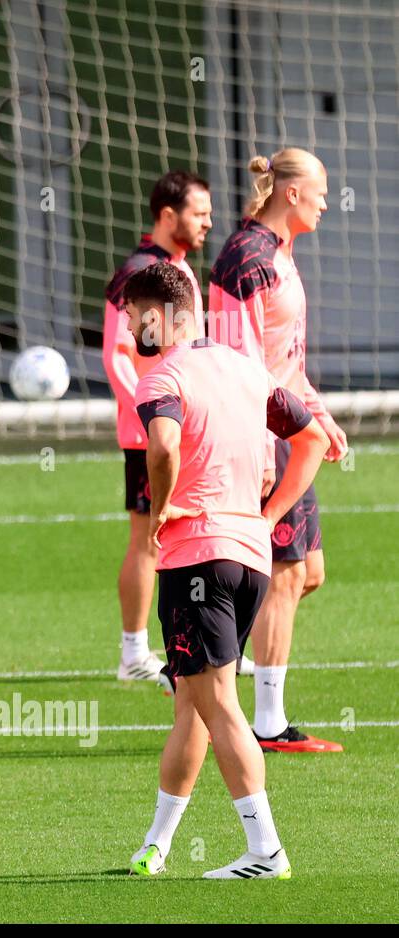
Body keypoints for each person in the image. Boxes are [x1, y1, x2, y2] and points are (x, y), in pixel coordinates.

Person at [122, 262, 327, 879]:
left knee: (216, 703)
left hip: (198, 560)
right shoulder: (244, 367)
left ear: (160, 316)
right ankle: (157, 844)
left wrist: (161, 510)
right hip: (250, 559)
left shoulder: (162, 375)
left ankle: (265, 850)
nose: (130, 327)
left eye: (133, 317)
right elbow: (313, 438)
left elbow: (162, 447)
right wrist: (269, 518)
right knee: (193, 702)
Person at [209, 148, 349, 752]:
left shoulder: (281, 256)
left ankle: (207, 656)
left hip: (291, 428)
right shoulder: (247, 258)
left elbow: (286, 358)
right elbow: (240, 365)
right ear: (291, 193)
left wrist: (320, 413)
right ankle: (265, 722)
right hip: (265, 434)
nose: (325, 200)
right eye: (319, 191)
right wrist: (263, 450)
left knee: (306, 574)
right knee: (287, 573)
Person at [102, 170, 211, 684]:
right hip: (155, 430)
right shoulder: (139, 274)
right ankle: (136, 654)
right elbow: (116, 356)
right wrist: (149, 417)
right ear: (169, 216)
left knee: (183, 533)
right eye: (200, 212)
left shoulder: (178, 270)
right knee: (150, 539)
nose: (208, 221)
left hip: (183, 423)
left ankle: (199, 647)